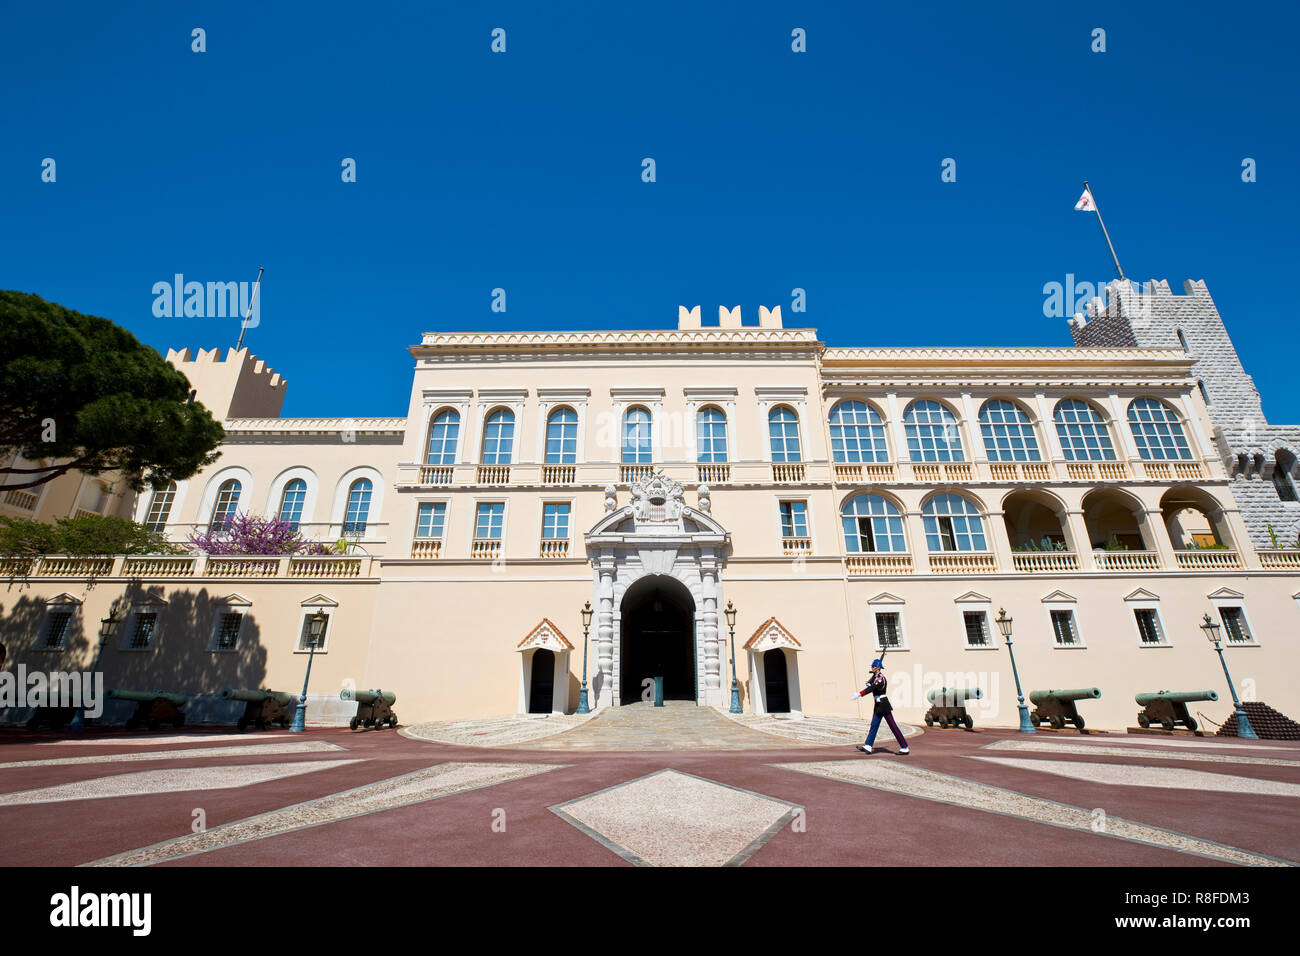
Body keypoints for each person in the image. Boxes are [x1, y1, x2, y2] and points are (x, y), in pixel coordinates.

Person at [849, 658, 908, 754]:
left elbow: (873, 688)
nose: (871, 667)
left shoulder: (881, 678)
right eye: (871, 666)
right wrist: (869, 682)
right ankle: (868, 745)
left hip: (883, 705)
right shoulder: (876, 677)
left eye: (873, 666)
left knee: (893, 726)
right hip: (878, 704)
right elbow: (872, 685)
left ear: (878, 668)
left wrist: (859, 694)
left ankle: (904, 747)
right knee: (874, 725)